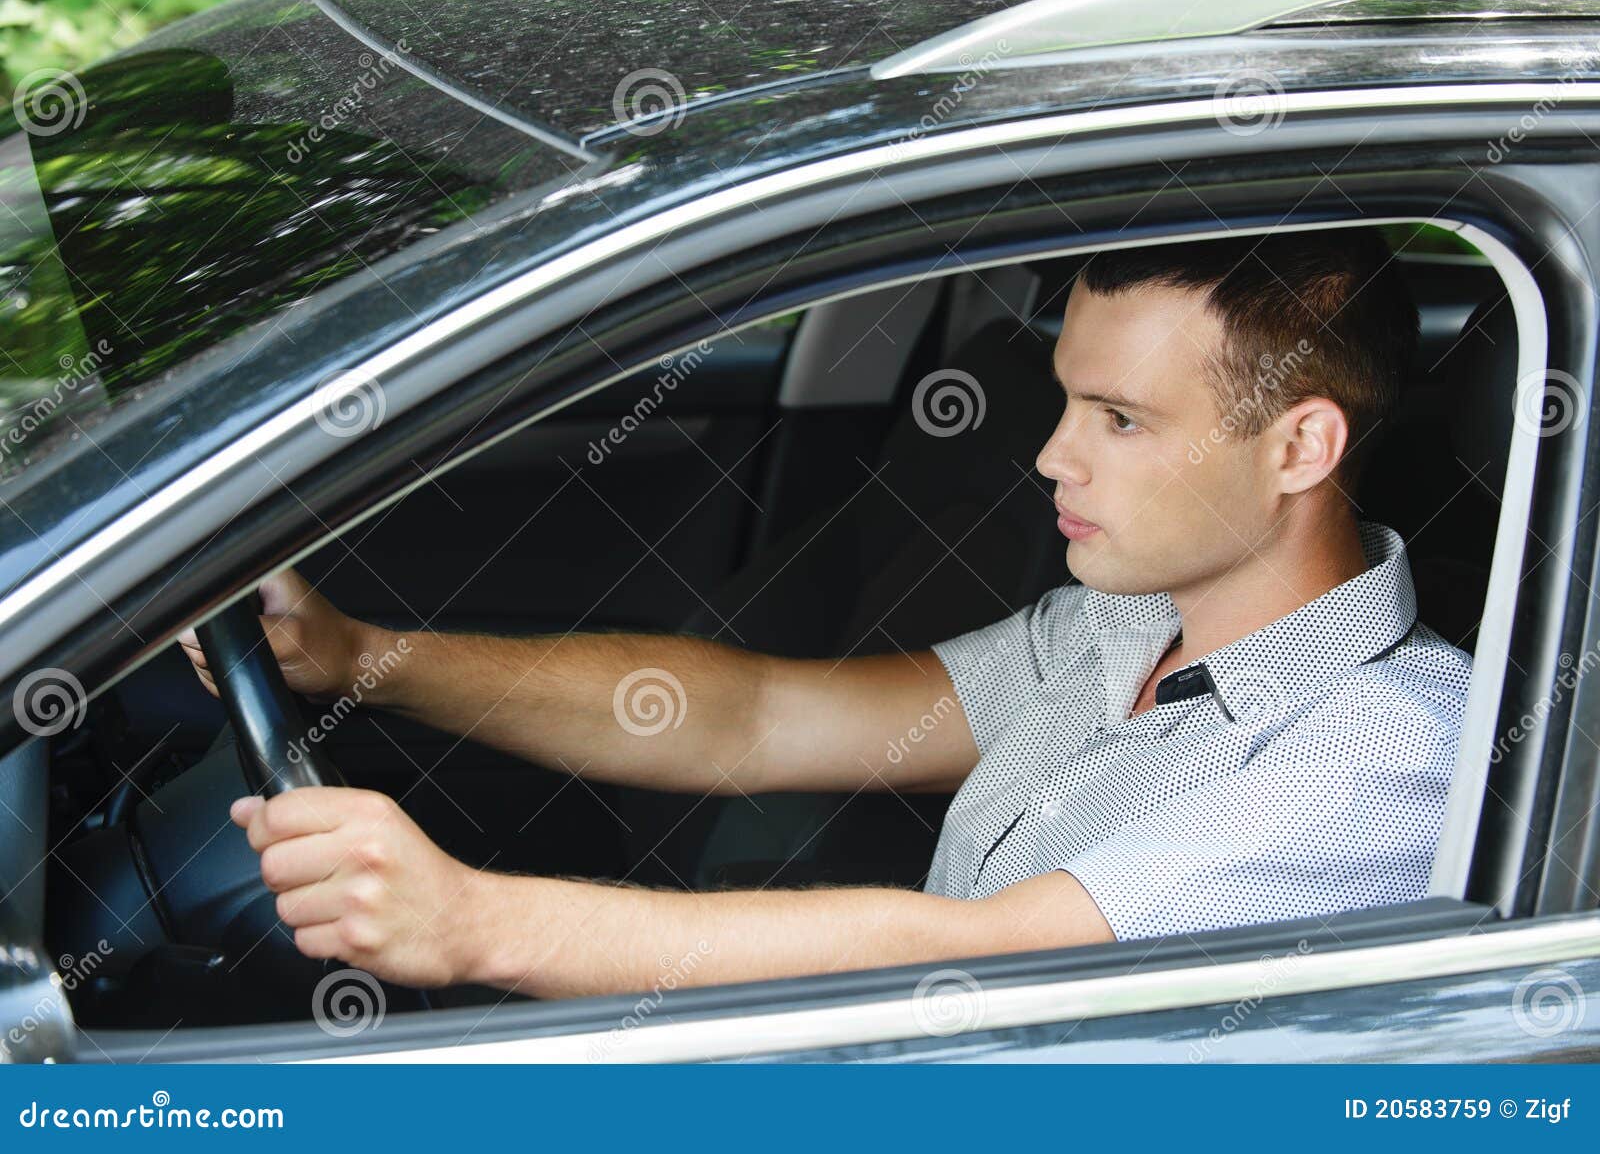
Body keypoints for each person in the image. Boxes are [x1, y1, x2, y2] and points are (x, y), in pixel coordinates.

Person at [178, 230, 1472, 999]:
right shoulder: (1119, 631)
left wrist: (474, 922)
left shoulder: (1389, 752)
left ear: (1300, 445)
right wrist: (360, 659)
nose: (1050, 459)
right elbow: (757, 717)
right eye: (1067, 399)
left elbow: (975, 955)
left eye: (1120, 421)